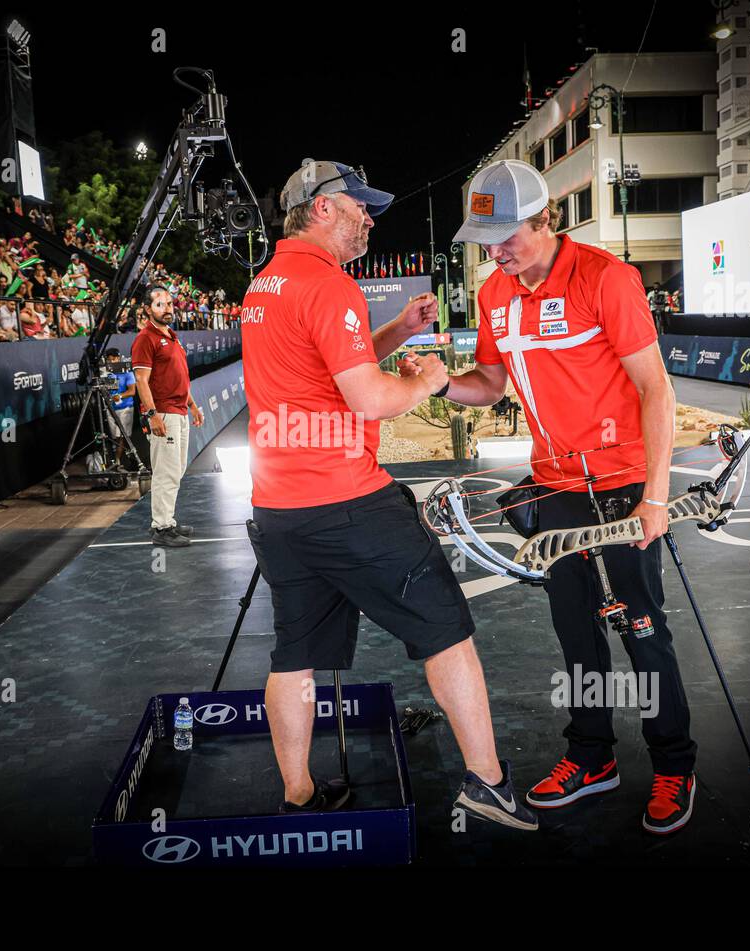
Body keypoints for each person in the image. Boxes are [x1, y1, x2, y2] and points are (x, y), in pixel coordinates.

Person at [238, 158, 537, 829]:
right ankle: (488, 783)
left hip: (279, 508)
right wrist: (428, 381)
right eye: (358, 207)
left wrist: (397, 330)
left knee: (296, 653)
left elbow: (329, 369)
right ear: (321, 209)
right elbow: (370, 399)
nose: (369, 219)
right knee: (447, 629)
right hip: (347, 500)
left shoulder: (266, 284)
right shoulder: (330, 284)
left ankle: (299, 794)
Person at [444, 159, 694, 835]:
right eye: (486, 237)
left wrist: (656, 496)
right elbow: (491, 385)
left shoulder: (606, 279)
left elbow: (657, 391)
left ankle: (674, 760)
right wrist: (439, 383)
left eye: (508, 234)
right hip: (554, 486)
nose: (496, 250)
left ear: (545, 218)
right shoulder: (495, 294)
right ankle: (592, 755)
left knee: (641, 627)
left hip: (623, 486)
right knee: (575, 629)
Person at [131, 286, 204, 547]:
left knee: (176, 470)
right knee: (166, 473)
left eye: (170, 303)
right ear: (148, 310)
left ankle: (168, 520)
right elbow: (141, 380)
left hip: (180, 411)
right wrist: (152, 415)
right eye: (160, 304)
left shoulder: (171, 336)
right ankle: (161, 528)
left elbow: (180, 377)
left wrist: (193, 405)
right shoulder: (145, 338)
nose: (168, 308)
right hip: (163, 413)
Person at [104, 347, 137, 464]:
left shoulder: (128, 373)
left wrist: (119, 397)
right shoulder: (107, 374)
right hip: (111, 409)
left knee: (121, 436)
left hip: (125, 409)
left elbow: (132, 391)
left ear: (118, 358)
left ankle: (118, 461)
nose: (112, 362)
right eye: (109, 360)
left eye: (114, 359)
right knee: (115, 437)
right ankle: (123, 457)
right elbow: (107, 390)